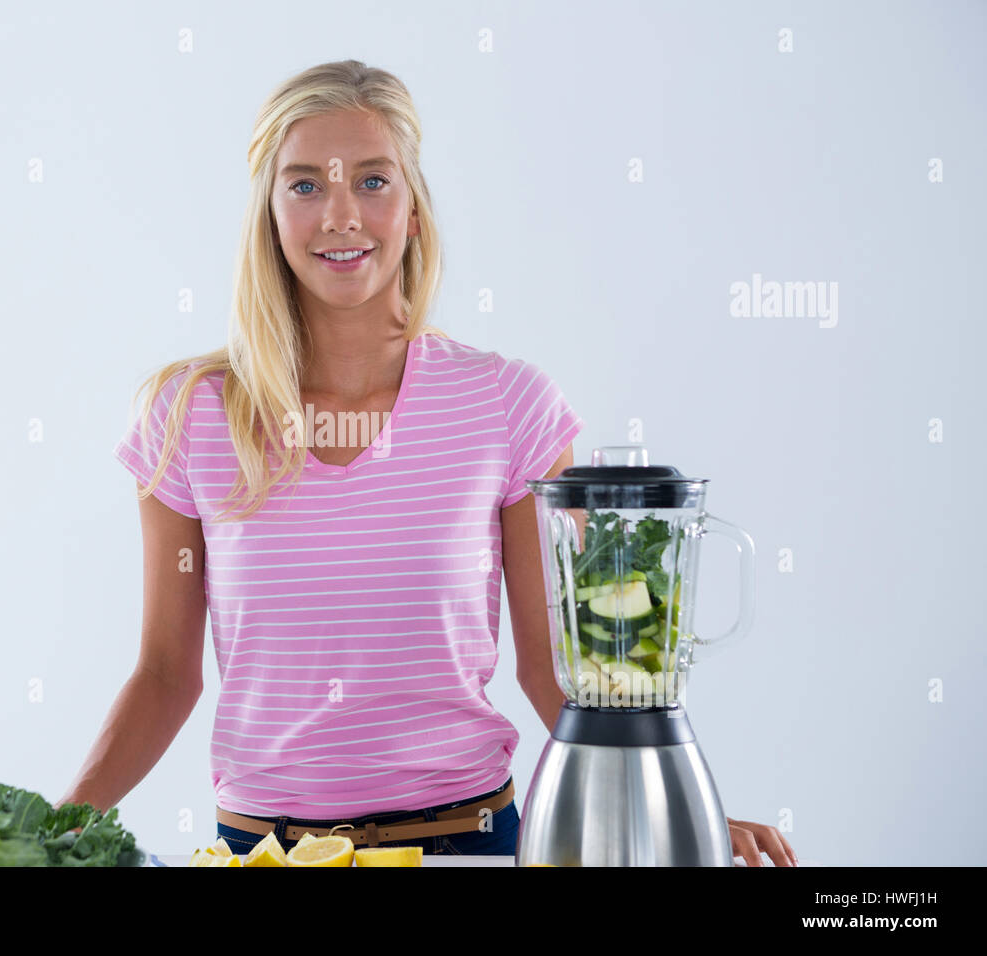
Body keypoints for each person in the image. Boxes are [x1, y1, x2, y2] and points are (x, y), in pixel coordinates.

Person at [57, 59, 797, 867]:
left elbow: (556, 670)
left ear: (413, 210)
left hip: (468, 847)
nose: (342, 215)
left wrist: (674, 809)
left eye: (372, 181)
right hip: (261, 855)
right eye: (305, 186)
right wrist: (43, 832)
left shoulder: (508, 406)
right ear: (268, 215)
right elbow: (166, 676)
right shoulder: (189, 414)